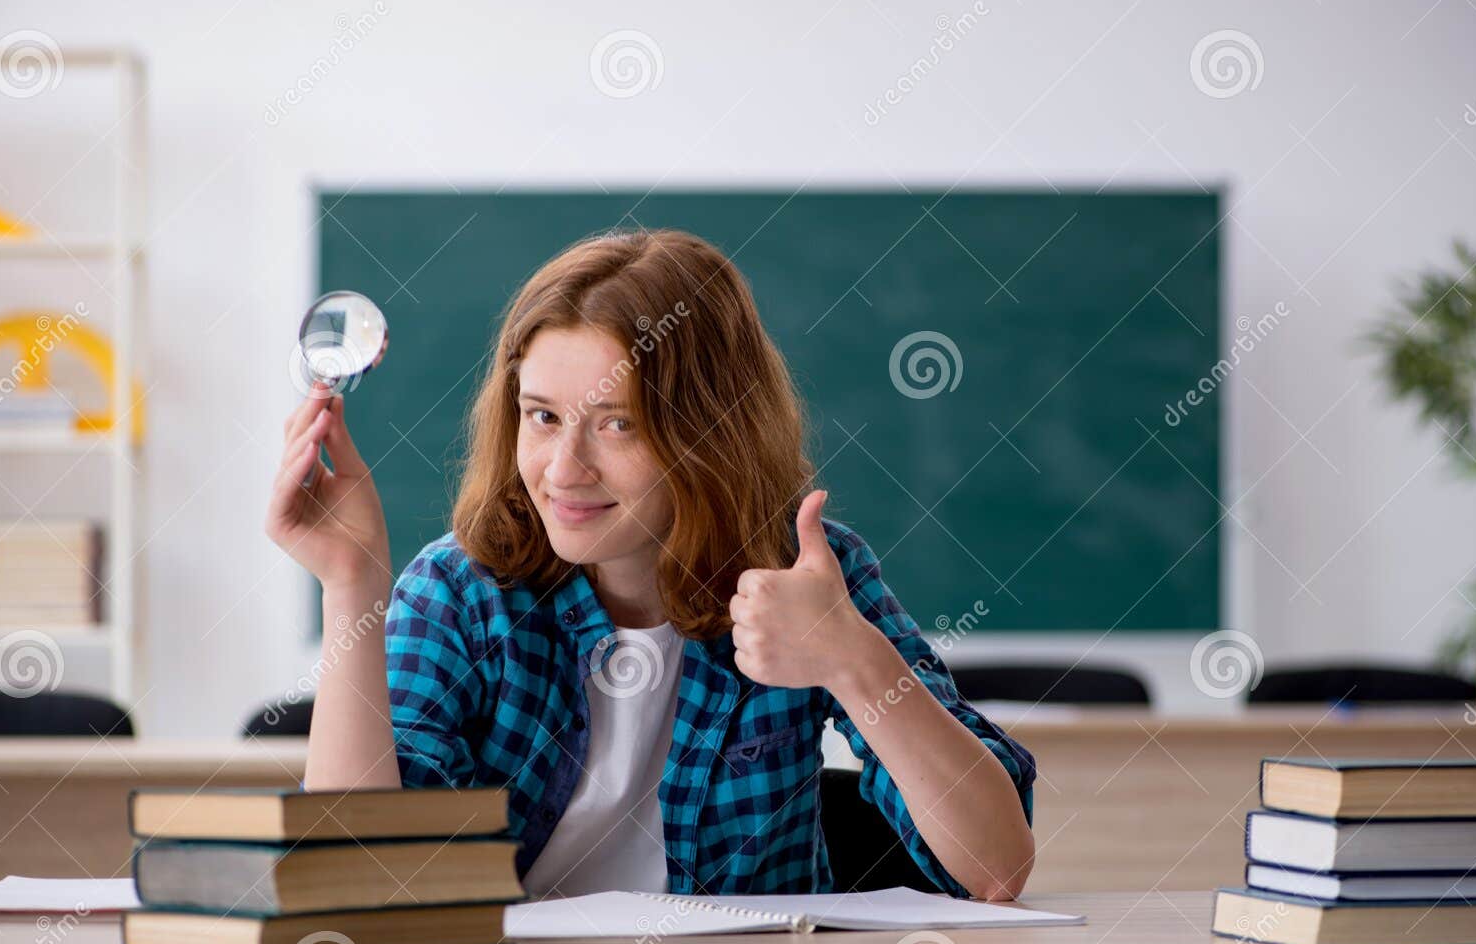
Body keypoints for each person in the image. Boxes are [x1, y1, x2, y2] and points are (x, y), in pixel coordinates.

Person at [265, 229, 1036, 900]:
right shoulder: (461, 592)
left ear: (712, 433)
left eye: (618, 425)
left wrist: (855, 659)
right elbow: (355, 876)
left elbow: (995, 869)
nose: (564, 468)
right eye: (543, 417)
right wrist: (351, 585)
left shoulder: (809, 577)